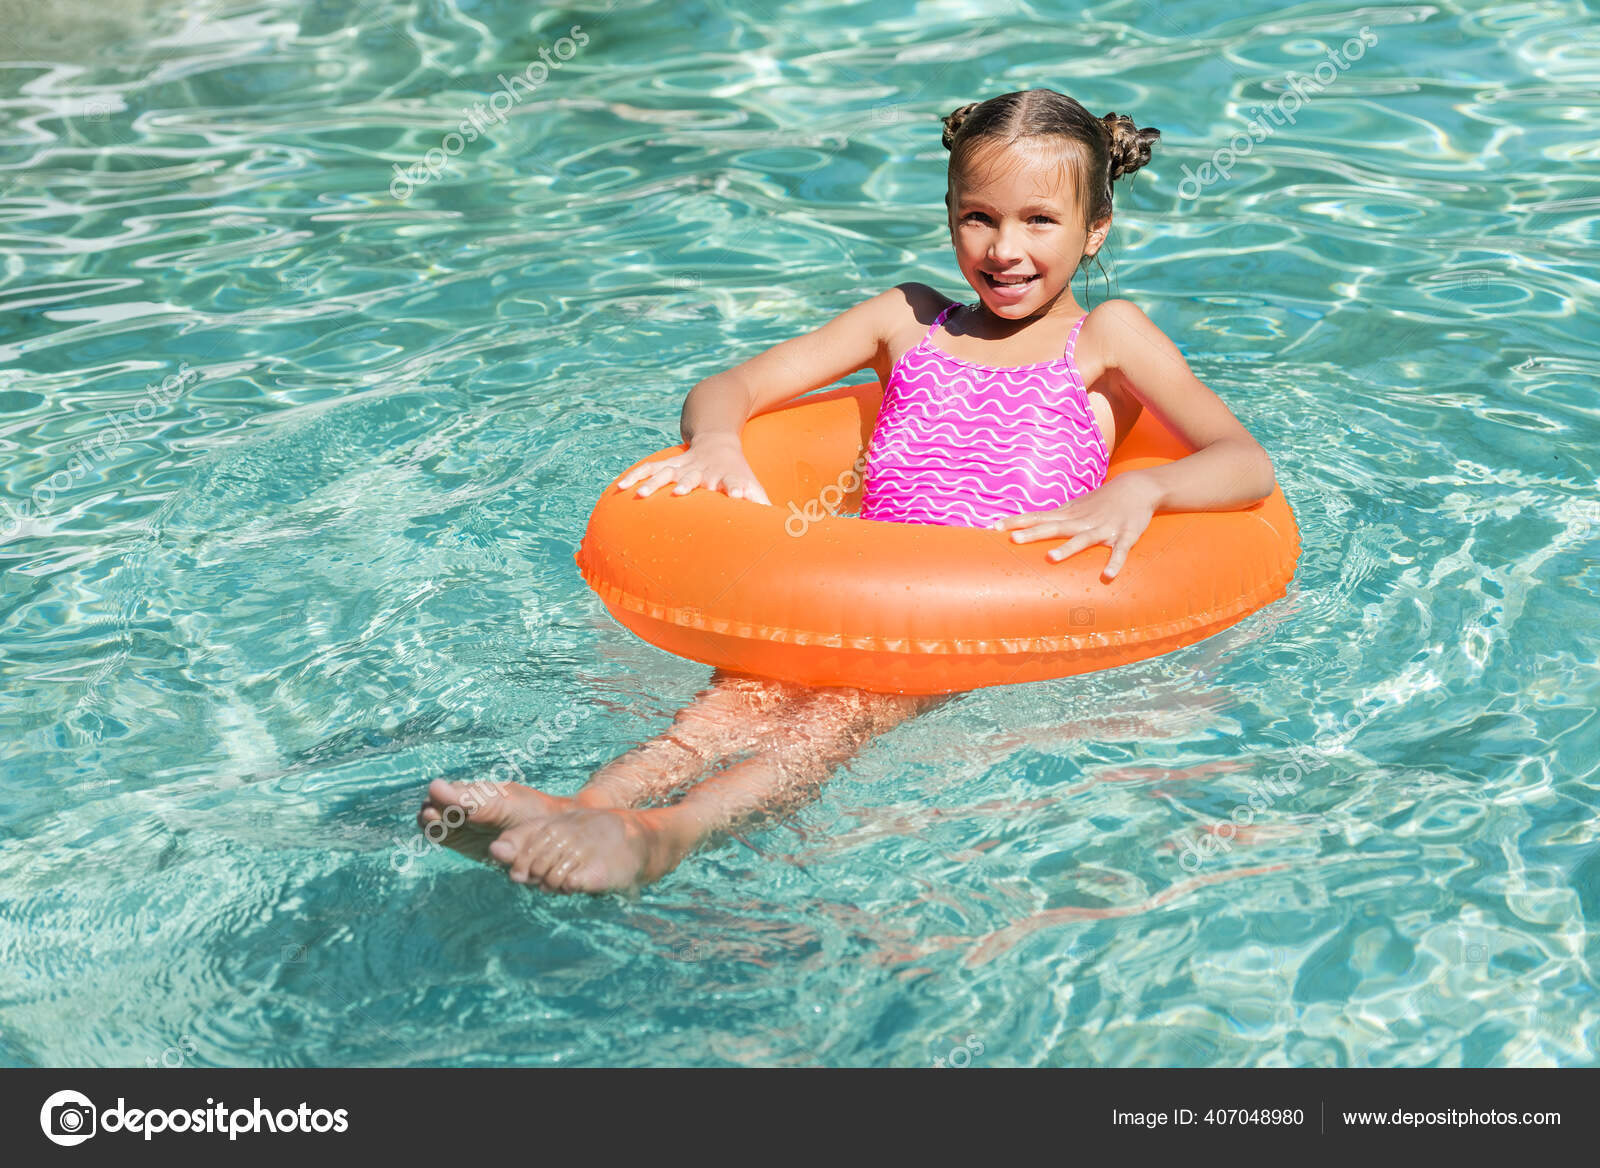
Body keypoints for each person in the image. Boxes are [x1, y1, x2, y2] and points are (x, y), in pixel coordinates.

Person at [418, 88, 1277, 894]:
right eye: (977, 217)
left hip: (967, 615)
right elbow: (733, 385)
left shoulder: (1109, 337)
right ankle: (587, 811)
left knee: (828, 724)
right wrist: (716, 440)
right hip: (847, 596)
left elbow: (1243, 461)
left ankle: (667, 835)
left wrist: (1148, 491)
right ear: (949, 217)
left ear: (1094, 230)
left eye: (1039, 221)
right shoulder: (908, 319)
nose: (1003, 249)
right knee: (719, 711)